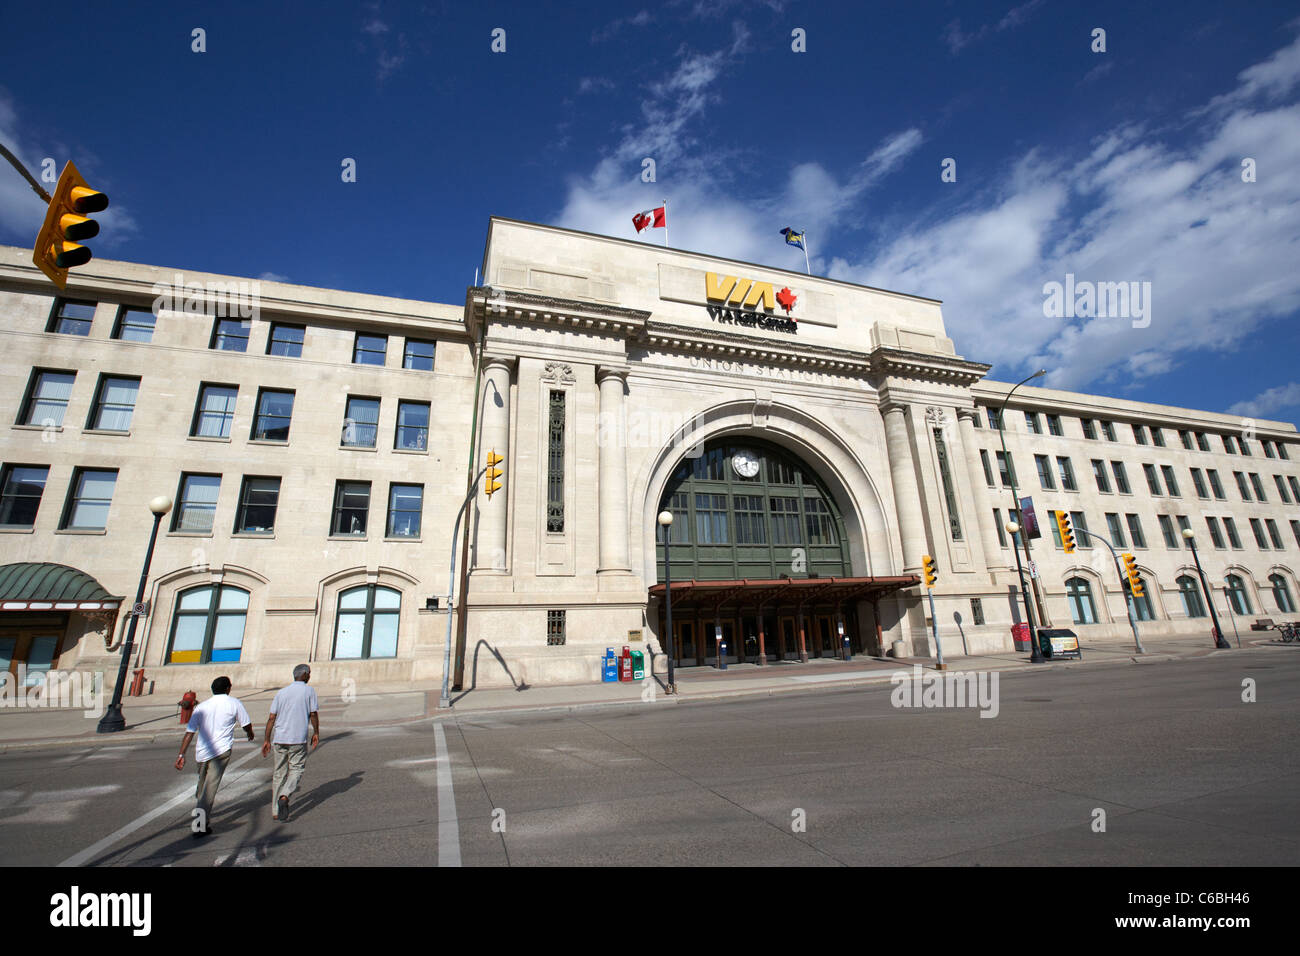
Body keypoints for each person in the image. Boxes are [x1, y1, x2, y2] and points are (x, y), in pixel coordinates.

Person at [175, 676, 253, 838]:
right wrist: (250, 733)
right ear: (227, 689)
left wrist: (181, 754)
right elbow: (246, 723)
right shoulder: (234, 703)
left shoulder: (201, 707)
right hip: (221, 751)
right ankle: (200, 825)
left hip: (202, 752)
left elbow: (189, 733)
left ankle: (200, 808)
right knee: (209, 788)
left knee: (203, 785)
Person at [261, 664, 319, 821]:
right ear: (305, 674)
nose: (310, 676)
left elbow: (272, 717)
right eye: (309, 673)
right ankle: (285, 796)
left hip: (279, 737)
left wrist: (267, 739)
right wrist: (316, 731)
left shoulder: (281, 693)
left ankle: (274, 810)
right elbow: (313, 713)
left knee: (279, 773)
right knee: (296, 770)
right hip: (297, 738)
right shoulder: (309, 691)